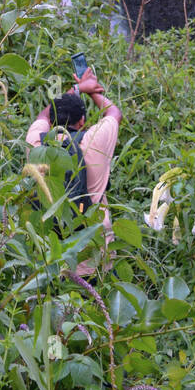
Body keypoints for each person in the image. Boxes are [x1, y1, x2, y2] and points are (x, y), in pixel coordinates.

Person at [25, 67, 123, 274]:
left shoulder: (36, 143)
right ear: (82, 122)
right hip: (93, 257)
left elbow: (44, 113)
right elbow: (114, 112)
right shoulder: (93, 142)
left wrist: (77, 88)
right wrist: (92, 91)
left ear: (50, 122)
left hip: (49, 260)